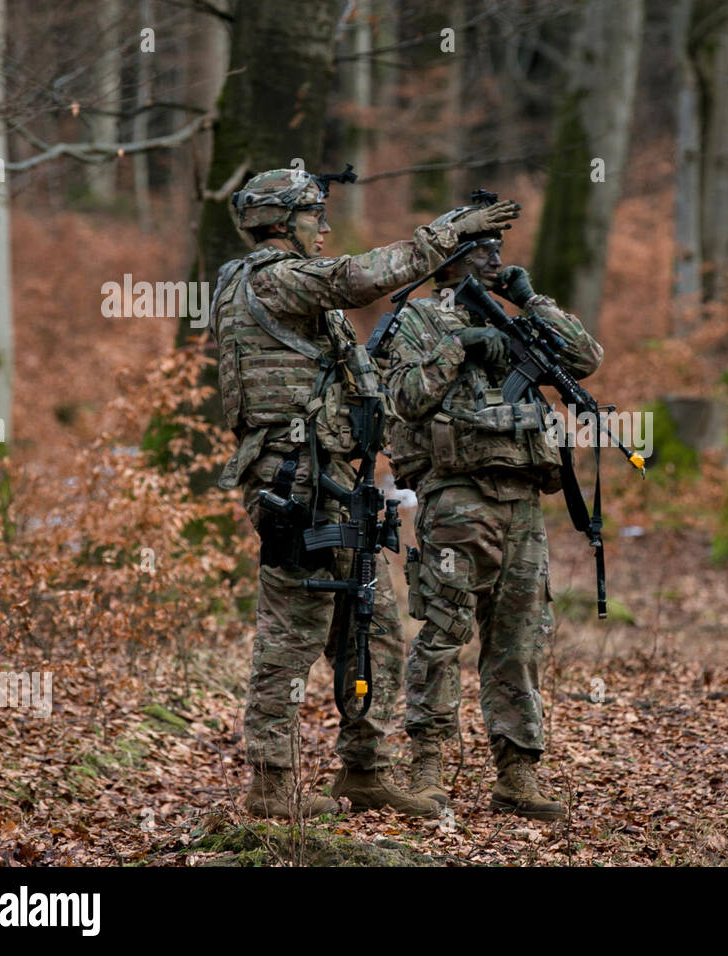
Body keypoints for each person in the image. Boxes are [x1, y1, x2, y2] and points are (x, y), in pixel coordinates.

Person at [209, 167, 520, 819]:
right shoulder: (273, 277)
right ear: (280, 222)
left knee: (372, 623)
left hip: (332, 480)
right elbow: (361, 277)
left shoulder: (273, 286)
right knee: (292, 630)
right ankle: (270, 787)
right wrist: (447, 233)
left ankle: (364, 770)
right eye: (313, 216)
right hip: (294, 483)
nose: (322, 227)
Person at [383, 198, 602, 821]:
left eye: (500, 251)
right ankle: (426, 766)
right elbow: (404, 396)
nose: (496, 258)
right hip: (458, 496)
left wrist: (532, 302)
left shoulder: (517, 319)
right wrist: (463, 346)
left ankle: (517, 773)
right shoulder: (421, 320)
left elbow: (584, 359)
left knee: (520, 639)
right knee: (445, 631)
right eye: (483, 250)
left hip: (523, 502)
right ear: (453, 259)